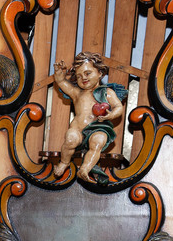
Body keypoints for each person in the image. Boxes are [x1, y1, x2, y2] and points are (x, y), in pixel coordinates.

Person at [53, 52, 126, 184]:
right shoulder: (77, 93)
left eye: (87, 73)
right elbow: (61, 82)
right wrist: (59, 73)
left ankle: (85, 169)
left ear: (99, 73)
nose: (83, 78)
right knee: (70, 139)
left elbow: (119, 107)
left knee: (99, 140)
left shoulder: (107, 93)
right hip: (78, 131)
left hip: (97, 129)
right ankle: (64, 162)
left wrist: (111, 115)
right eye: (79, 76)